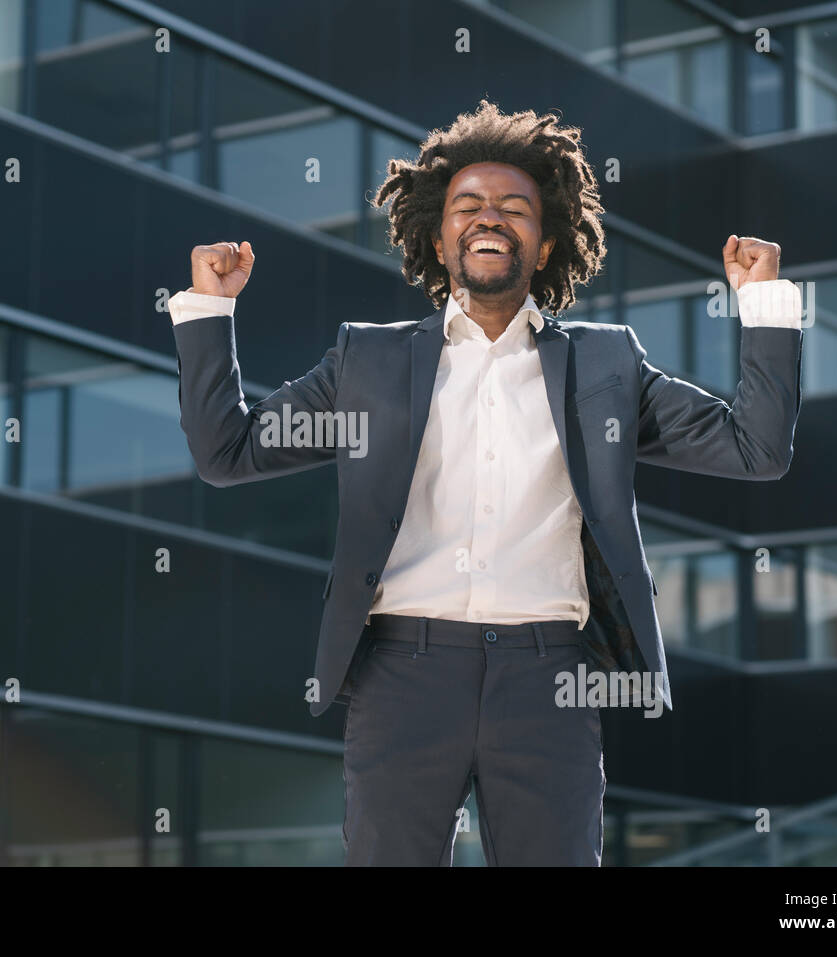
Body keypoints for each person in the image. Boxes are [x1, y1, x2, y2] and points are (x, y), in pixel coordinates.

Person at [166, 100, 803, 865]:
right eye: (468, 206)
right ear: (439, 236)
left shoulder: (608, 364)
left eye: (514, 207)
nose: (489, 217)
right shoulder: (366, 362)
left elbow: (755, 448)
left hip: (552, 679)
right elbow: (228, 450)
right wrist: (210, 308)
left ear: (547, 239)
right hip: (401, 674)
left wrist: (762, 301)